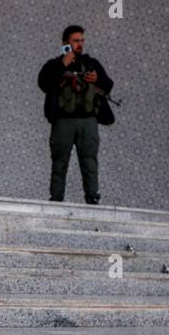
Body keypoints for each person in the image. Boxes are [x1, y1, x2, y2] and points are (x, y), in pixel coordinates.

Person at [37, 24, 114, 204]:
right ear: (65, 43)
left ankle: (92, 196)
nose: (80, 44)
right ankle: (56, 198)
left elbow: (108, 85)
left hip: (88, 120)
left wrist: (98, 79)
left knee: (90, 162)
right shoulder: (54, 64)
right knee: (59, 162)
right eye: (75, 41)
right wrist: (61, 65)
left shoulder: (92, 64)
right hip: (63, 121)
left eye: (82, 40)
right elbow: (43, 83)